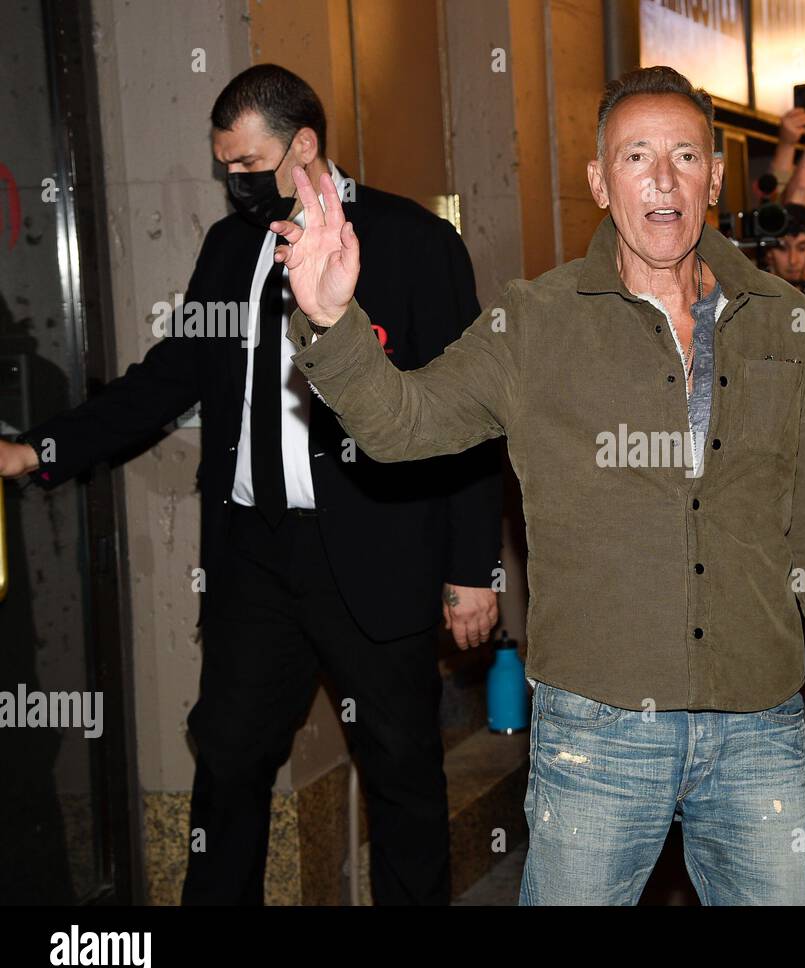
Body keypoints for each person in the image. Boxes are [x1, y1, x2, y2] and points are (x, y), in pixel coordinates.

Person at [273, 65, 805, 906]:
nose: (663, 179)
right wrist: (333, 319)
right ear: (601, 183)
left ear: (714, 175)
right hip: (597, 735)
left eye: (685, 155)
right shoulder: (534, 322)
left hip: (758, 725)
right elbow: (400, 424)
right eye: (637, 156)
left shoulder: (788, 323)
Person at [0, 64, 503, 904]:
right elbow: (166, 379)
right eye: (222, 166)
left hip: (375, 552)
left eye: (246, 164)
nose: (232, 183)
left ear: (304, 146)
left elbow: (472, 415)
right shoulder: (230, 249)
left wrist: (470, 566)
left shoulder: (413, 242)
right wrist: (40, 448)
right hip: (252, 559)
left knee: (403, 775)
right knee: (228, 764)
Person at [765, 203, 805, 295]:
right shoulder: (755, 299)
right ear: (769, 251)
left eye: (802, 248)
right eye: (782, 248)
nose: (793, 260)